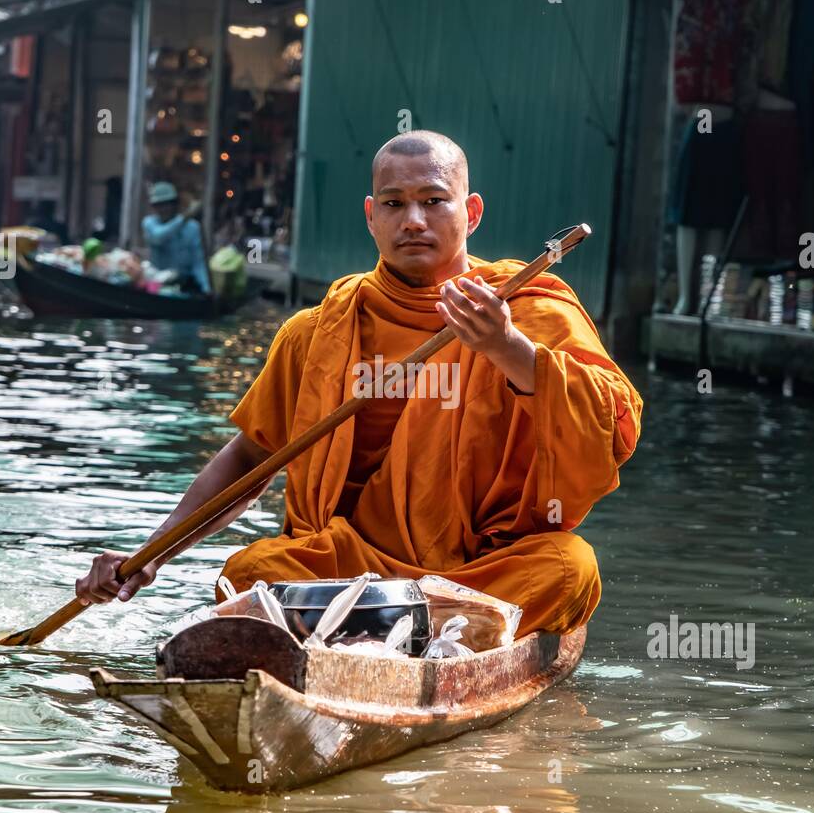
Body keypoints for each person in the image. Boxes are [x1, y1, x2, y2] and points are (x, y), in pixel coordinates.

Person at [76, 131, 644, 638]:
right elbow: (252, 457)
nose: (413, 221)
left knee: (569, 569)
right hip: (349, 567)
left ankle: (371, 630)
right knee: (250, 572)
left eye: (433, 201)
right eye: (394, 205)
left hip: (482, 567)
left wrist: (508, 349)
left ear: (471, 212)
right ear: (372, 216)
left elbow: (609, 429)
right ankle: (437, 631)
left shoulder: (523, 310)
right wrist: (153, 553)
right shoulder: (320, 329)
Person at [140, 182, 210, 294]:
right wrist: (186, 216)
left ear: (174, 204)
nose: (163, 209)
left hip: (184, 285)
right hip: (157, 285)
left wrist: (206, 288)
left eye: (166, 204)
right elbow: (159, 237)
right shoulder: (149, 223)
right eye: (158, 205)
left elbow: (198, 262)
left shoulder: (192, 227)